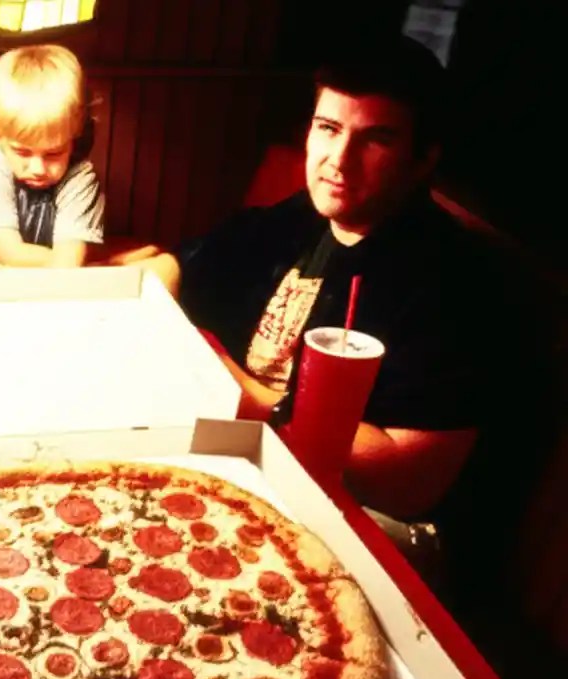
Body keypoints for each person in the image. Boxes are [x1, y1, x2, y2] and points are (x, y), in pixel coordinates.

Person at [137, 36, 525, 530]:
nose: (338, 160)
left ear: (423, 159)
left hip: (363, 515)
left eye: (376, 139)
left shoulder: (454, 283)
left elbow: (410, 484)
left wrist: (256, 401)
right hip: (245, 458)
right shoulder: (304, 214)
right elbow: (182, 264)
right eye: (329, 128)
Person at [0, 44, 105, 271]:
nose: (37, 168)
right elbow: (9, 252)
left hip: (49, 295)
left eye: (54, 153)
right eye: (22, 152)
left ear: (75, 134)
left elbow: (66, 272)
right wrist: (64, 262)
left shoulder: (81, 176)